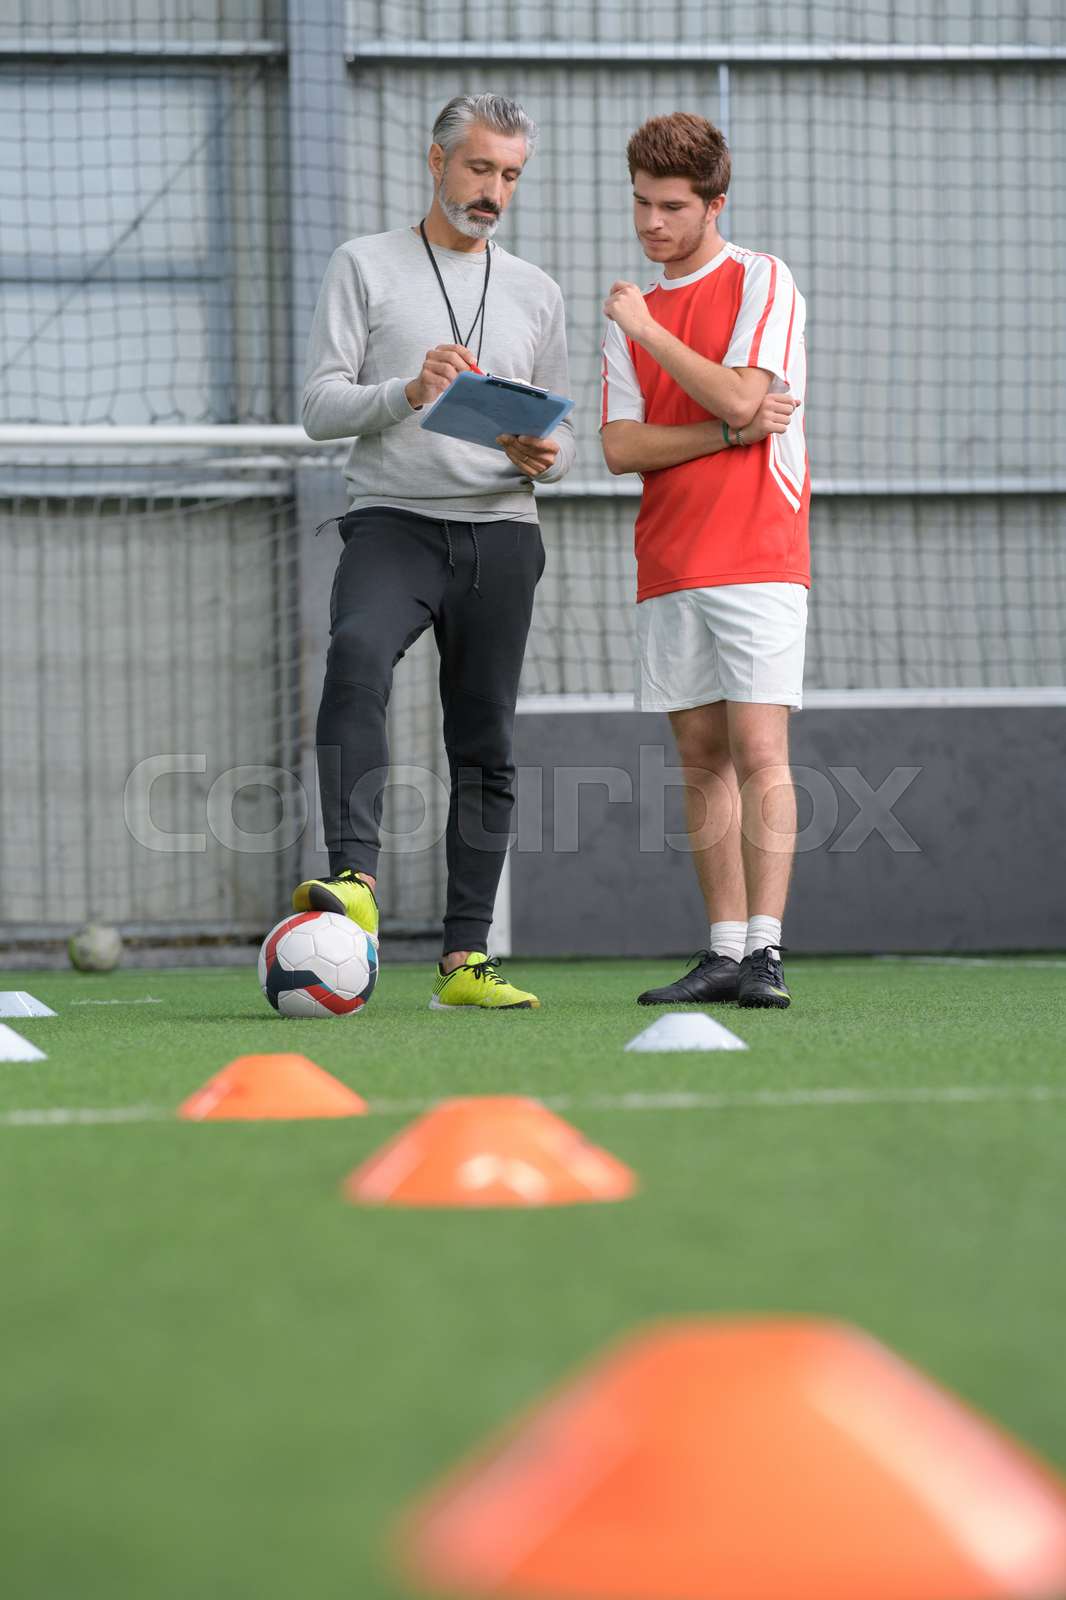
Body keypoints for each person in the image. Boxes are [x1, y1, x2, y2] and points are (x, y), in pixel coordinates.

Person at [294, 93, 575, 1010]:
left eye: (510, 175)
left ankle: (465, 962)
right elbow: (319, 408)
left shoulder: (537, 290)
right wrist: (407, 390)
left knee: (485, 741)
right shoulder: (364, 264)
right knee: (357, 655)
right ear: (436, 160)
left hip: (504, 533)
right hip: (394, 522)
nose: (494, 191)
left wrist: (546, 456)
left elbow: (561, 436)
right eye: (480, 168)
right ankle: (356, 883)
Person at [600, 112, 808, 1009]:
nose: (652, 224)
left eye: (672, 207)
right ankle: (723, 948)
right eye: (642, 204)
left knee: (761, 748)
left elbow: (739, 387)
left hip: (760, 551)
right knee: (699, 759)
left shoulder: (763, 278)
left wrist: (650, 335)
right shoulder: (628, 310)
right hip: (670, 557)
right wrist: (723, 431)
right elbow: (618, 448)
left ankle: (766, 951)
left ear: (714, 203)